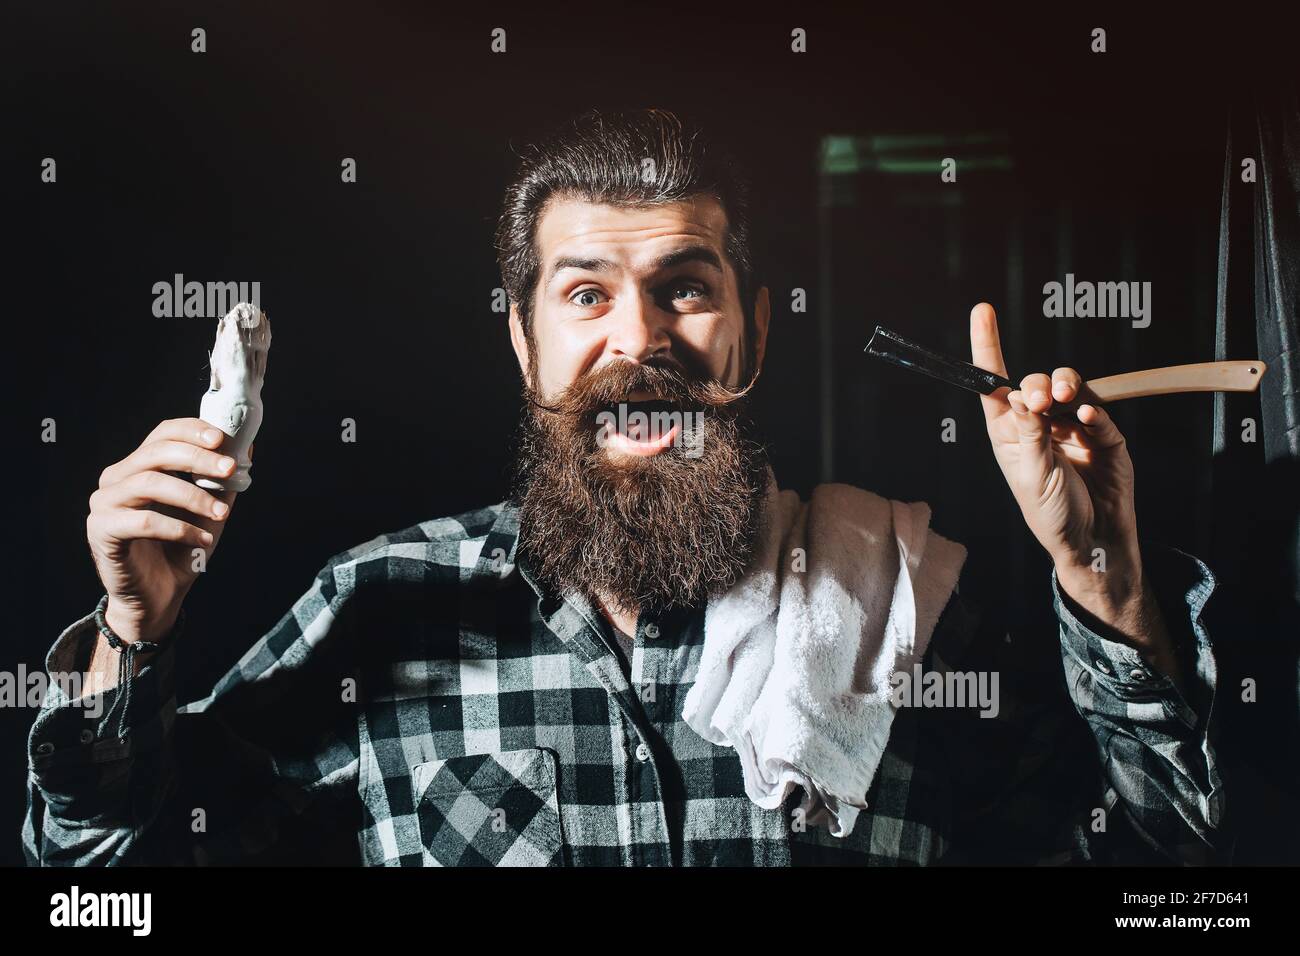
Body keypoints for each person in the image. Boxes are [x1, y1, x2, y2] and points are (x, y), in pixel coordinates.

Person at [24, 109, 1224, 866]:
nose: (638, 336)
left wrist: (1098, 569)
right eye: (586, 293)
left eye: (685, 288)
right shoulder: (381, 604)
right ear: (525, 347)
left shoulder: (907, 608)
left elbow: (1174, 866)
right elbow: (92, 879)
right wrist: (134, 634)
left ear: (750, 338)